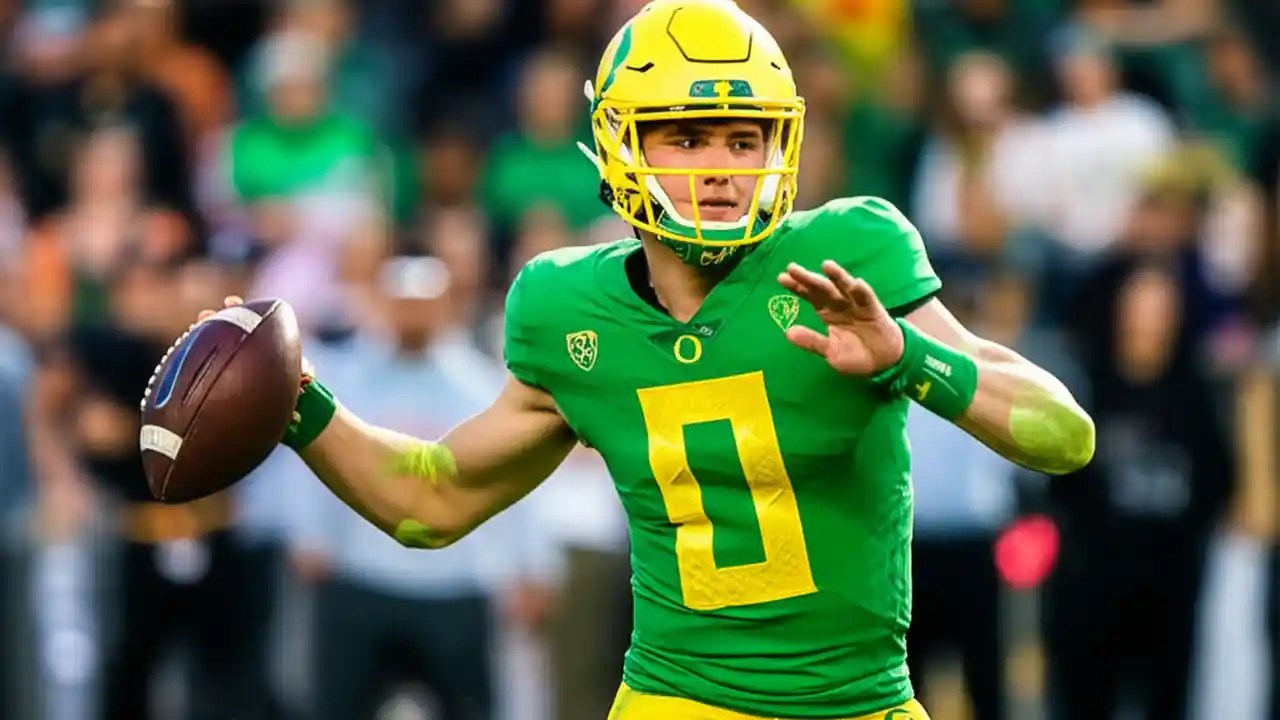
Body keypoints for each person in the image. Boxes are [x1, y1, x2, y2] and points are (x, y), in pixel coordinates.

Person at [195, 1, 1095, 718]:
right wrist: (302, 408)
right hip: (676, 702)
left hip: (856, 704)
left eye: (744, 138)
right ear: (621, 142)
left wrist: (909, 358)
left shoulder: (847, 254)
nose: (721, 166)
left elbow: (1064, 436)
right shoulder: (565, 308)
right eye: (687, 135)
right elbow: (432, 498)